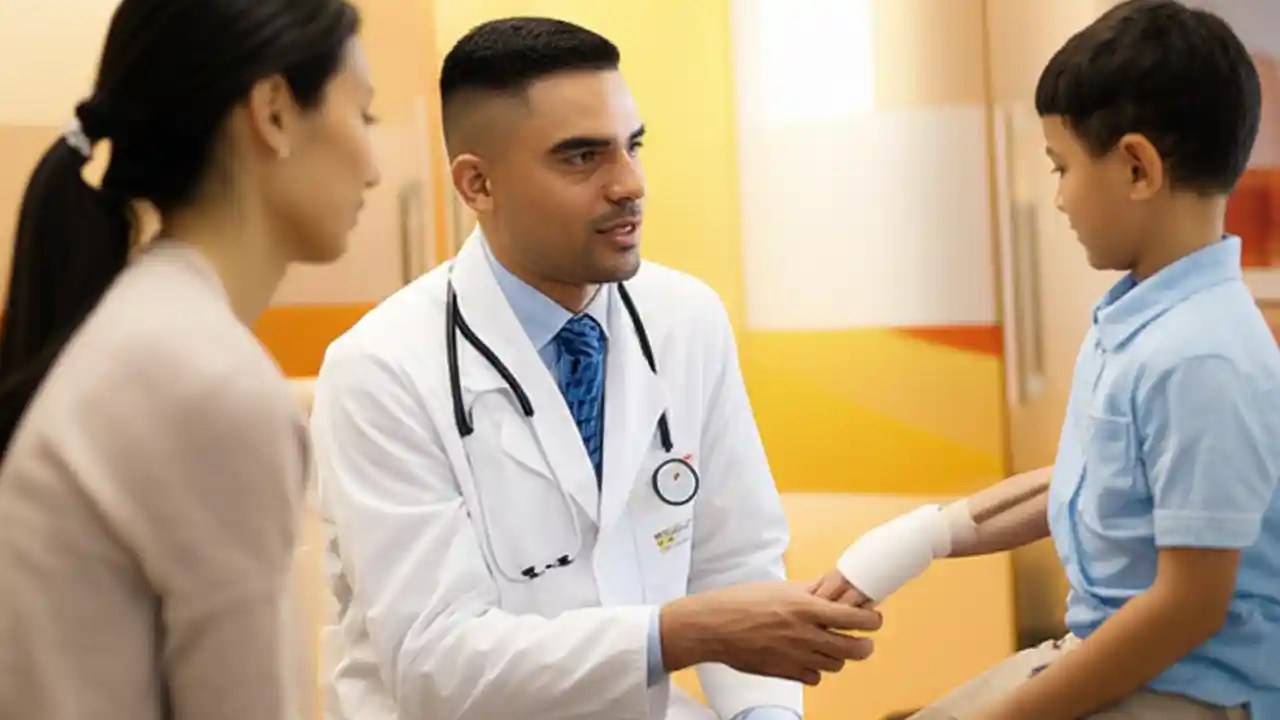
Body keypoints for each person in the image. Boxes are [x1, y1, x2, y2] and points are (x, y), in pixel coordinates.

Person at [311, 16, 880, 720]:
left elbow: (737, 561)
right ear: (478, 183)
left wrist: (762, 714)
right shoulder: (381, 370)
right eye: (583, 157)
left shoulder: (685, 318)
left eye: (632, 147)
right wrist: (676, 633)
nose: (629, 184)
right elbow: (436, 663)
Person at [812, 1, 1280, 718]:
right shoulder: (1146, 318)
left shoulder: (1202, 357)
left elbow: (1187, 610)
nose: (1057, 199)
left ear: (1136, 168)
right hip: (1119, 655)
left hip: (1193, 691)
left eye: (1061, 167)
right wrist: (913, 542)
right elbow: (1093, 480)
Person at [0, 1, 380, 718]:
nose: (373, 168)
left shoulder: (153, 335)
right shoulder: (207, 384)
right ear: (272, 111)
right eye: (364, 115)